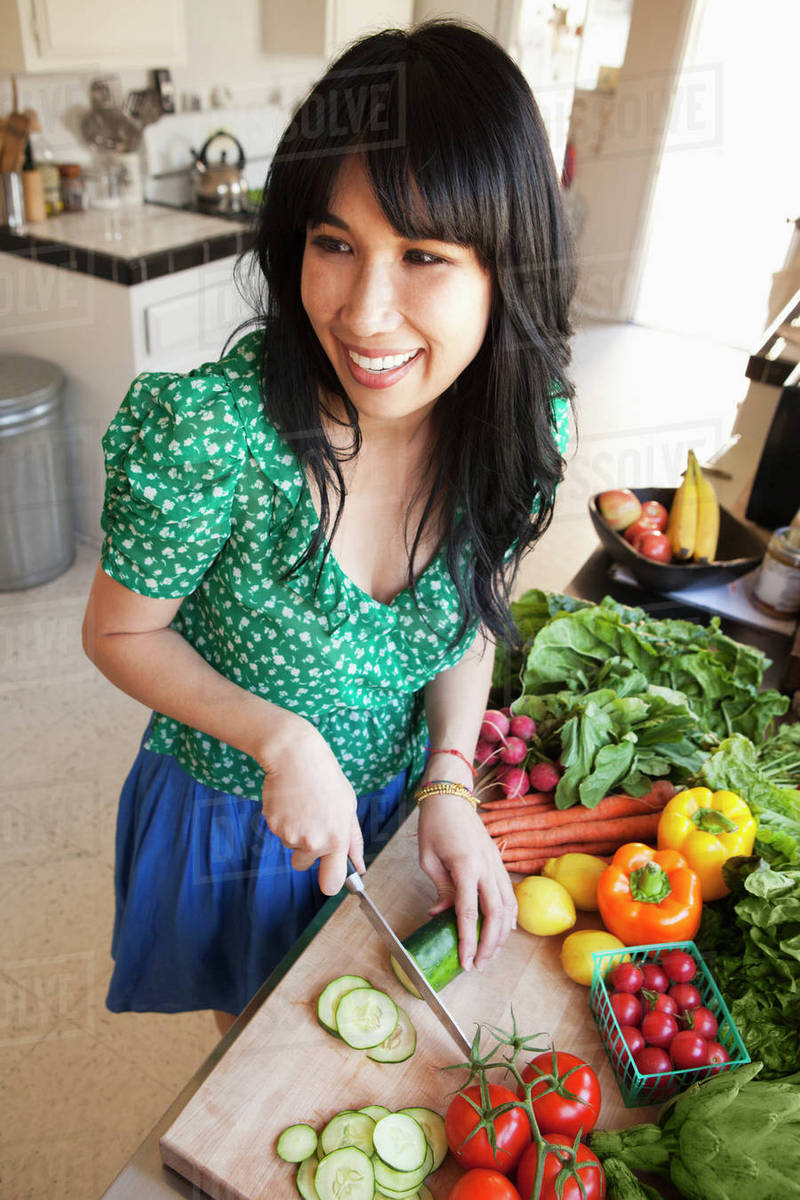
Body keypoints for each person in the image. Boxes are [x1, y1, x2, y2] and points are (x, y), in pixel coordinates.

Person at [81, 18, 575, 1036]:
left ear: (505, 272)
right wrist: (280, 739)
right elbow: (118, 631)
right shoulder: (211, 433)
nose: (363, 312)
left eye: (424, 255)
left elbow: (467, 620)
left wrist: (449, 779)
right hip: (232, 801)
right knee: (254, 1039)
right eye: (333, 243)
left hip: (393, 797)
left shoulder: (521, 430)